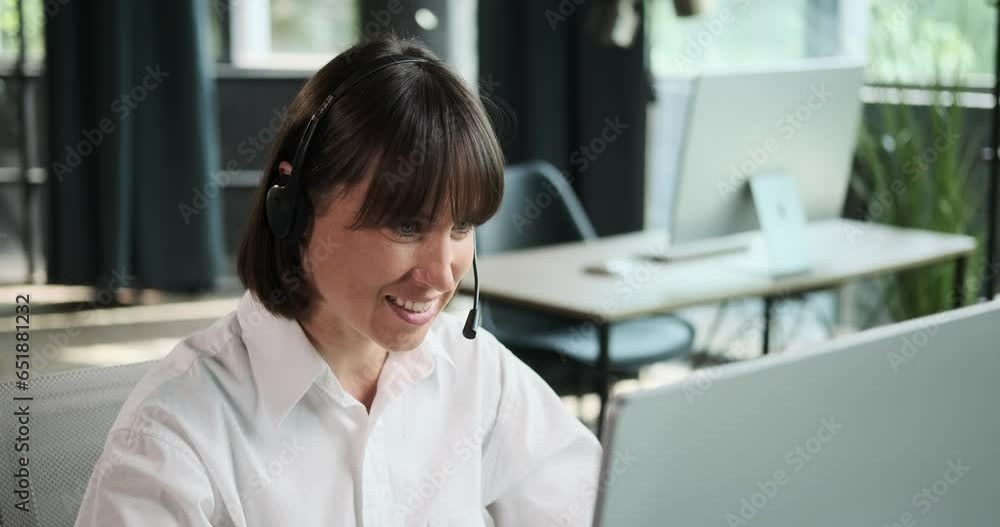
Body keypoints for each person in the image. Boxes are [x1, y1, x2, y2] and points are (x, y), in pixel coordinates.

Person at [75, 34, 602, 526]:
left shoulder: (477, 373)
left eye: (461, 226)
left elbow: (591, 506)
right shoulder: (176, 428)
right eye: (407, 225)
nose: (441, 275)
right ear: (297, 211)